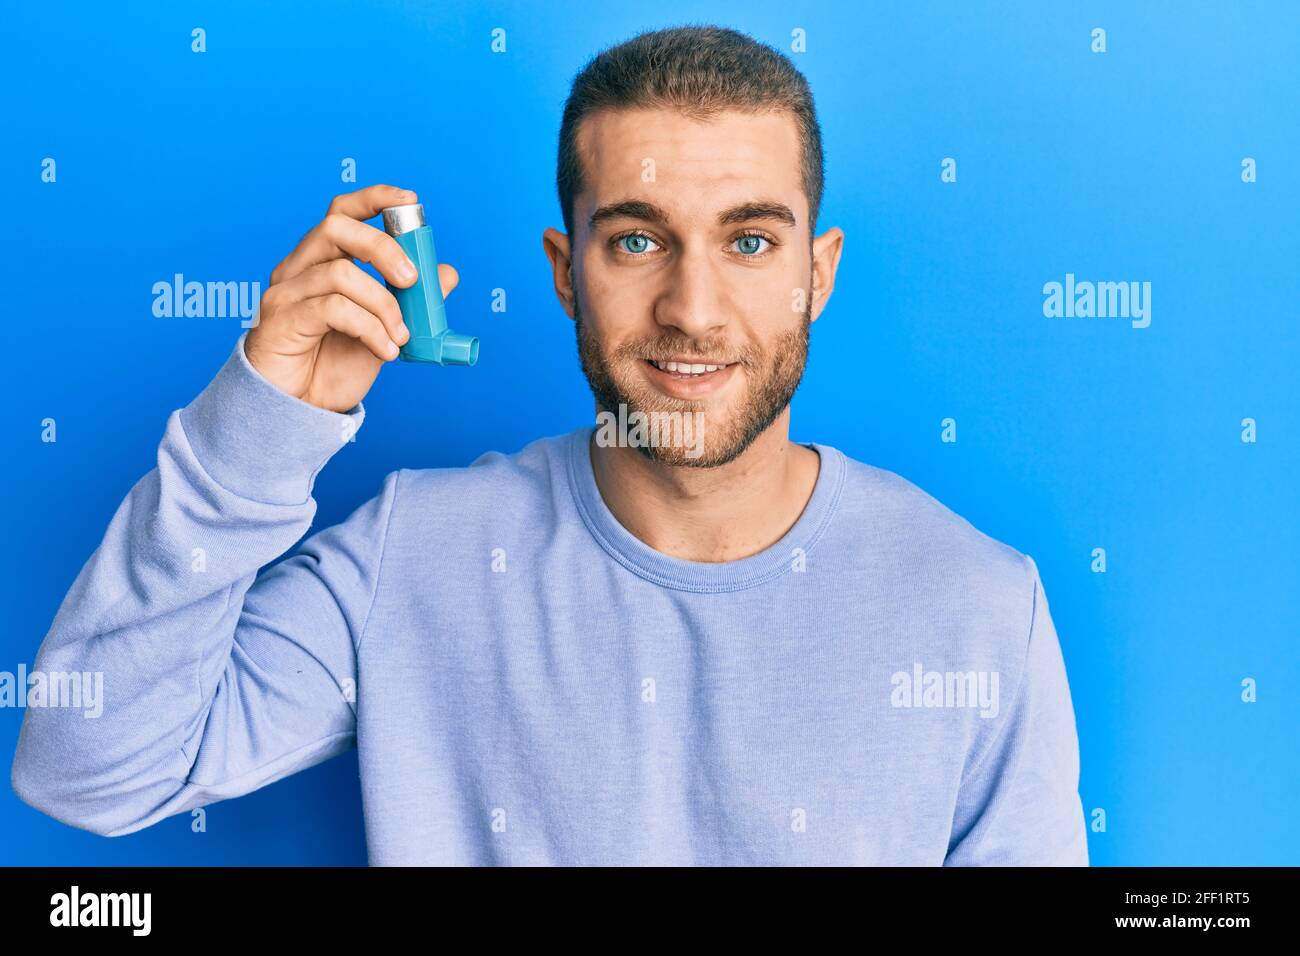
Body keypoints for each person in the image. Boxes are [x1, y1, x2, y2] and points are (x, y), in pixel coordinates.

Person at [11, 25, 1088, 865]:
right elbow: (86, 767)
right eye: (636, 240)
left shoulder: (978, 603)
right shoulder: (416, 555)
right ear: (566, 270)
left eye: (750, 239)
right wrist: (254, 429)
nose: (693, 307)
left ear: (820, 269)